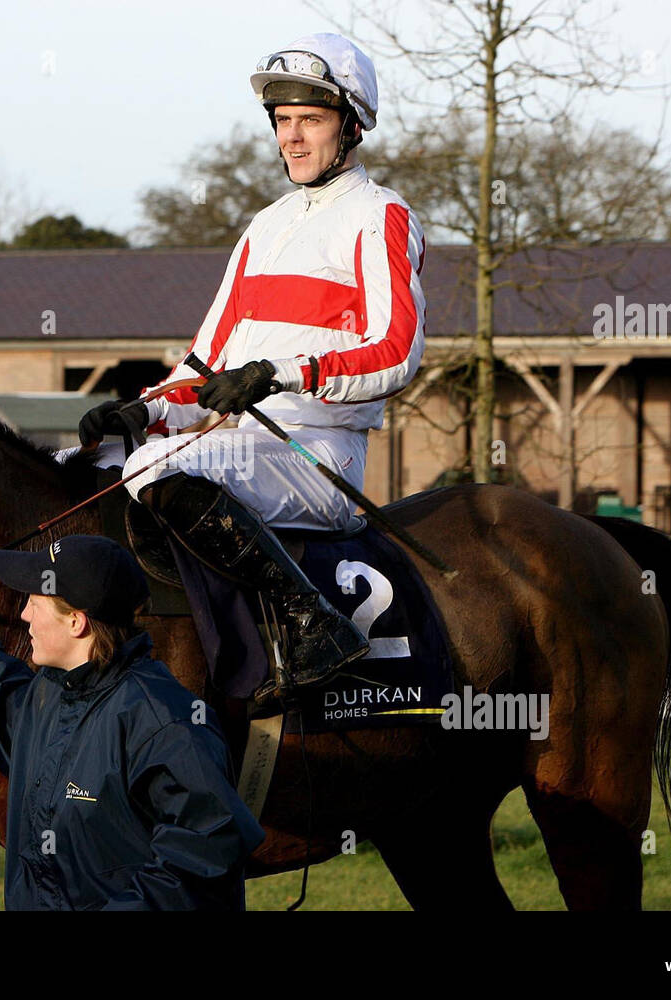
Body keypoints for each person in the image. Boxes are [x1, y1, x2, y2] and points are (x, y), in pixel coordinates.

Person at [78, 32, 427, 707]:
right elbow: (205, 364)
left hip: (317, 455)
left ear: (350, 127)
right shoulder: (262, 228)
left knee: (153, 468)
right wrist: (144, 411)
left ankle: (312, 623)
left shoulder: (381, 215)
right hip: (235, 447)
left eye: (312, 120)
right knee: (85, 462)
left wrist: (281, 374)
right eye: (283, 121)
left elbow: (395, 351)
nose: (292, 138)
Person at [0, 534, 265, 910]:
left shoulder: (165, 722)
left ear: (76, 622)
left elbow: (204, 860)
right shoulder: (51, 696)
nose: (24, 614)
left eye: (34, 603)